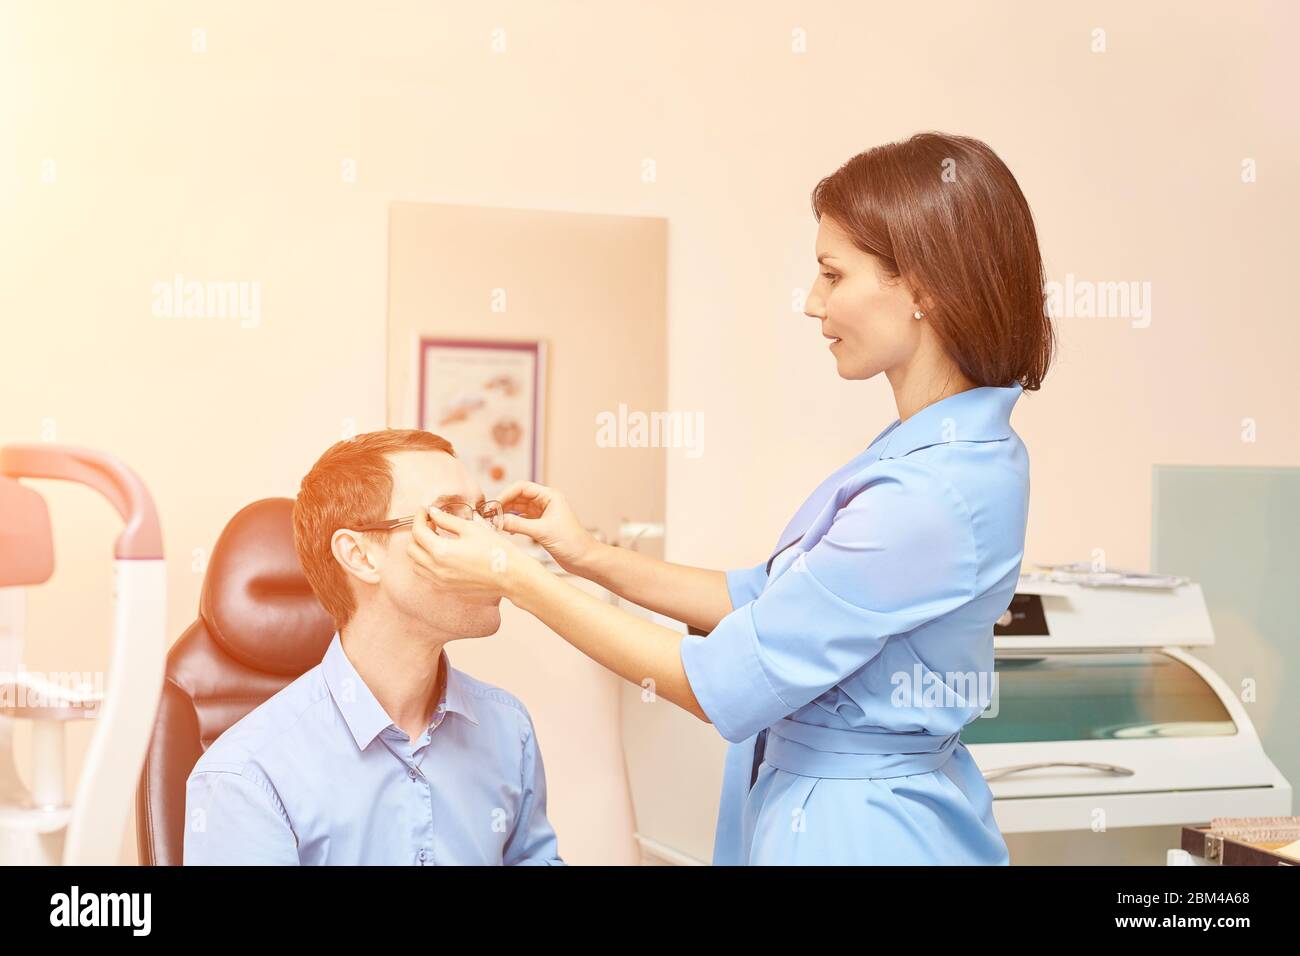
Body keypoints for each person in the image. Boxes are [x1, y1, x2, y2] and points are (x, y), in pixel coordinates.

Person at [406, 132, 1052, 865]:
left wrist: (513, 576)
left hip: (863, 834)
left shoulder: (928, 498)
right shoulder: (943, 453)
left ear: (923, 288)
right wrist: (583, 556)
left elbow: (715, 684)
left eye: (833, 276)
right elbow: (762, 599)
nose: (813, 304)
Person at [184, 429, 563, 865]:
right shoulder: (245, 779)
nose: (491, 544)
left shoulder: (507, 729)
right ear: (360, 556)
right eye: (449, 516)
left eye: (483, 515)